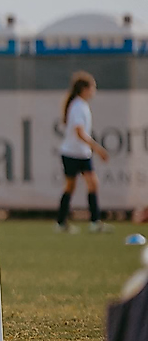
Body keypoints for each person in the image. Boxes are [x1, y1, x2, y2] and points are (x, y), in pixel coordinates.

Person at [55, 71, 110, 232]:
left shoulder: (81, 105)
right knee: (70, 186)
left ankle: (94, 222)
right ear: (84, 89)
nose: (94, 91)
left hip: (81, 153)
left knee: (92, 184)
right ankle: (61, 223)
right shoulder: (78, 106)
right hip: (72, 153)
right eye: (93, 87)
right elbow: (79, 132)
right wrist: (98, 149)